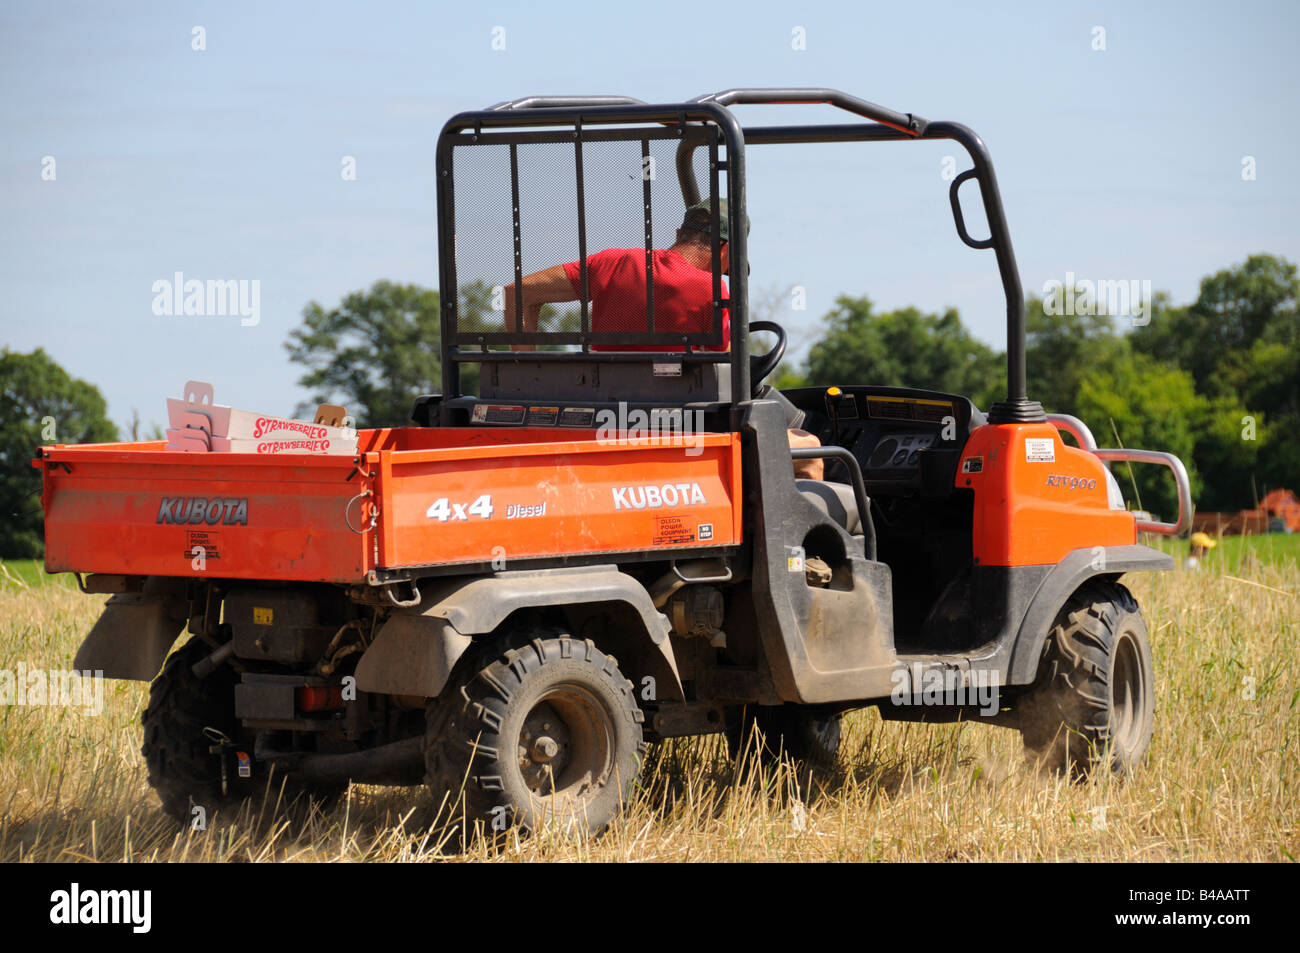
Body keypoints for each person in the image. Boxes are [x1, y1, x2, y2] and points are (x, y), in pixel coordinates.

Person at [503, 200, 823, 479]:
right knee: (810, 448)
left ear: (677, 234)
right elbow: (728, 380)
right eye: (731, 264)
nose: (726, 273)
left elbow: (517, 293)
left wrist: (531, 377)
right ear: (726, 249)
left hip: (604, 422)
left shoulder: (611, 264)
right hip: (685, 429)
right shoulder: (711, 292)